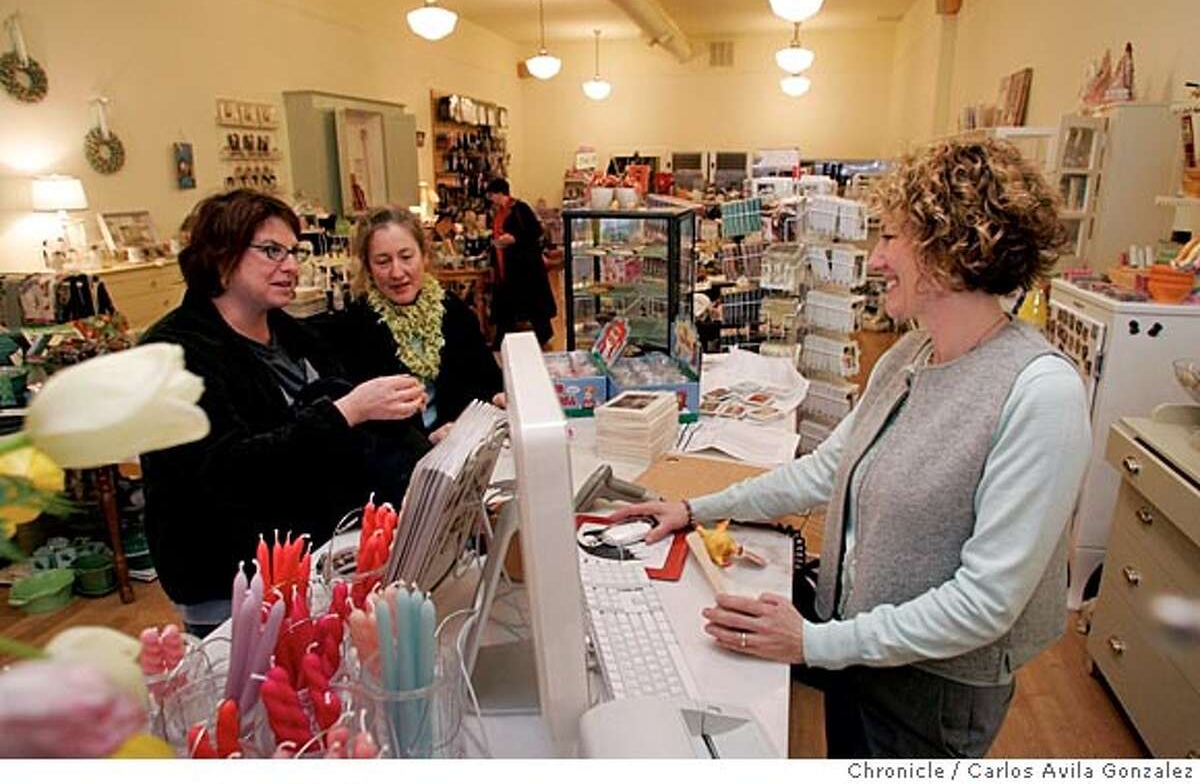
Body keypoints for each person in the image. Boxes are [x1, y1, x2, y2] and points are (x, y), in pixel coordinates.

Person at [610, 138, 1091, 758]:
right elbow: (826, 470)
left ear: (953, 247)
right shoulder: (911, 355)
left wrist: (814, 644)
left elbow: (985, 604)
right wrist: (693, 508)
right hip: (859, 653)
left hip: (932, 693)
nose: (876, 259)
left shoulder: (1040, 393)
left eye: (891, 237)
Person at [140, 190, 430, 635]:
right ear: (221, 255)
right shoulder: (173, 354)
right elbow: (228, 471)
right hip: (232, 582)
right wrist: (347, 411)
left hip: (314, 560)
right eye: (272, 251)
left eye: (295, 252)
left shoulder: (290, 334)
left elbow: (339, 426)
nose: (291, 266)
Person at [321, 206, 503, 443]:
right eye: (383, 262)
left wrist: (495, 399)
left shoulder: (454, 311)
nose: (397, 273)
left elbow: (486, 381)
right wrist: (426, 441)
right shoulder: (353, 327)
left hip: (459, 443)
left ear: (424, 256)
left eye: (406, 257)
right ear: (368, 267)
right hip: (399, 458)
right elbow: (361, 427)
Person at [485, 177, 556, 348]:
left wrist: (515, 238)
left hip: (524, 265)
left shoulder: (520, 208)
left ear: (499, 193)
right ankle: (502, 338)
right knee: (508, 302)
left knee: (532, 301)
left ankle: (542, 334)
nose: (491, 199)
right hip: (507, 264)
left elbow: (535, 231)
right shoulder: (499, 212)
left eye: (492, 195)